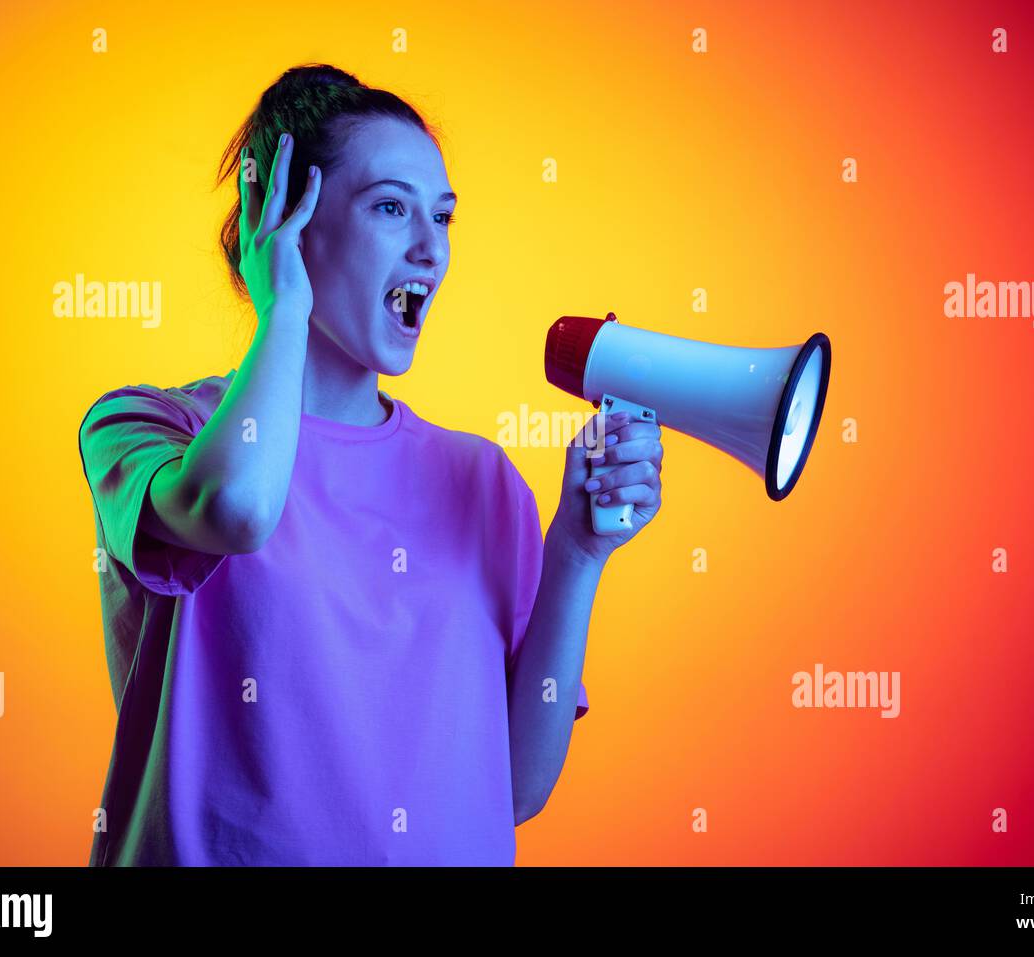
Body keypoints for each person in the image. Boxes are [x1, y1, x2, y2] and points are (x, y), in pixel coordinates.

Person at [77, 64, 664, 866]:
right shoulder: (148, 428)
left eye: (445, 216)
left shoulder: (483, 482)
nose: (432, 248)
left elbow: (517, 785)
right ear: (285, 221)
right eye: (392, 207)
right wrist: (283, 303)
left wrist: (577, 550)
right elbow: (239, 509)